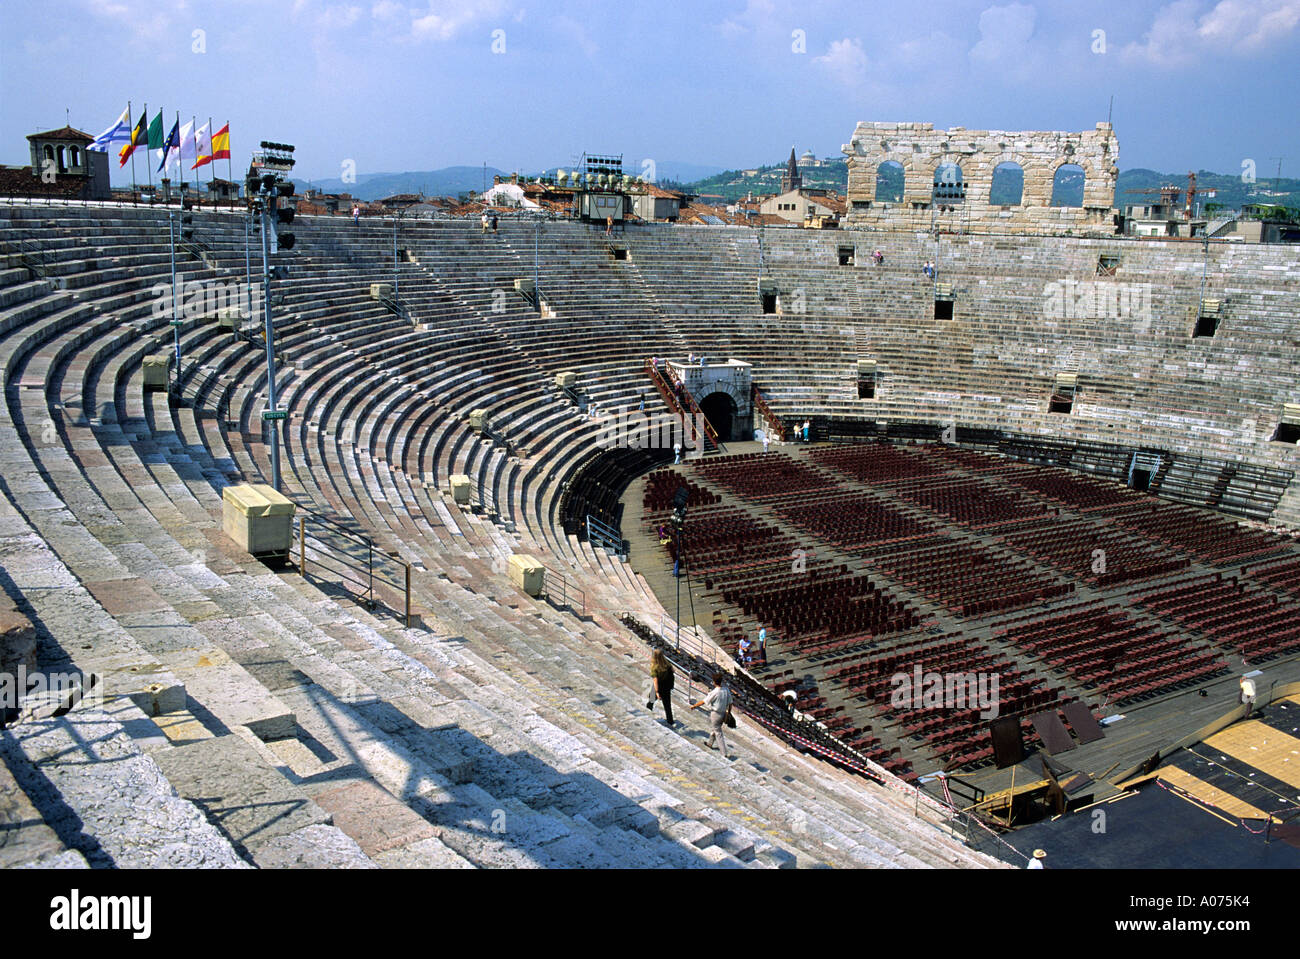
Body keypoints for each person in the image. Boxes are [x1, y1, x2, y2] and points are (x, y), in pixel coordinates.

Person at [693, 673, 733, 758]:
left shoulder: (714, 692)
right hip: (723, 713)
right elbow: (730, 703)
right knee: (716, 728)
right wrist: (728, 712)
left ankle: (724, 753)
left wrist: (694, 706)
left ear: (714, 682)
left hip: (715, 714)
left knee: (718, 733)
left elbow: (704, 701)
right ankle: (710, 743)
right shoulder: (726, 690)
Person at [647, 649, 675, 726]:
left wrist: (657, 692)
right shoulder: (667, 664)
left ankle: (648, 710)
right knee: (667, 705)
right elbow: (673, 671)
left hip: (659, 686)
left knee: (651, 699)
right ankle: (670, 721)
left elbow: (655, 681)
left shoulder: (654, 667)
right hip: (667, 687)